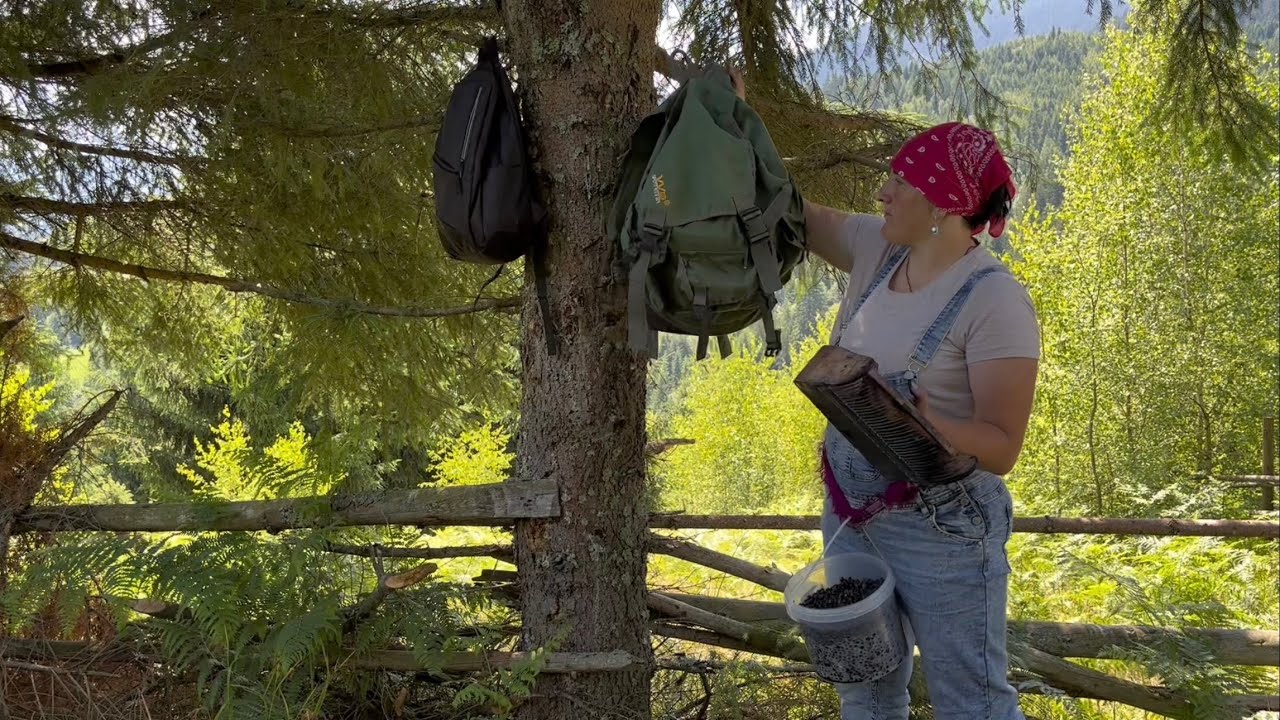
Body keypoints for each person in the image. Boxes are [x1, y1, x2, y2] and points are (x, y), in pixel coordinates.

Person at [732, 73, 1041, 719]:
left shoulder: (994, 300)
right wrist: (740, 121)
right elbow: (796, 210)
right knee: (867, 693)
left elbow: (1003, 447)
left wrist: (929, 422)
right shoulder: (878, 249)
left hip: (945, 528)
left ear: (945, 205)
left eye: (900, 182)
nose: (883, 192)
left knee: (971, 703)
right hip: (850, 518)